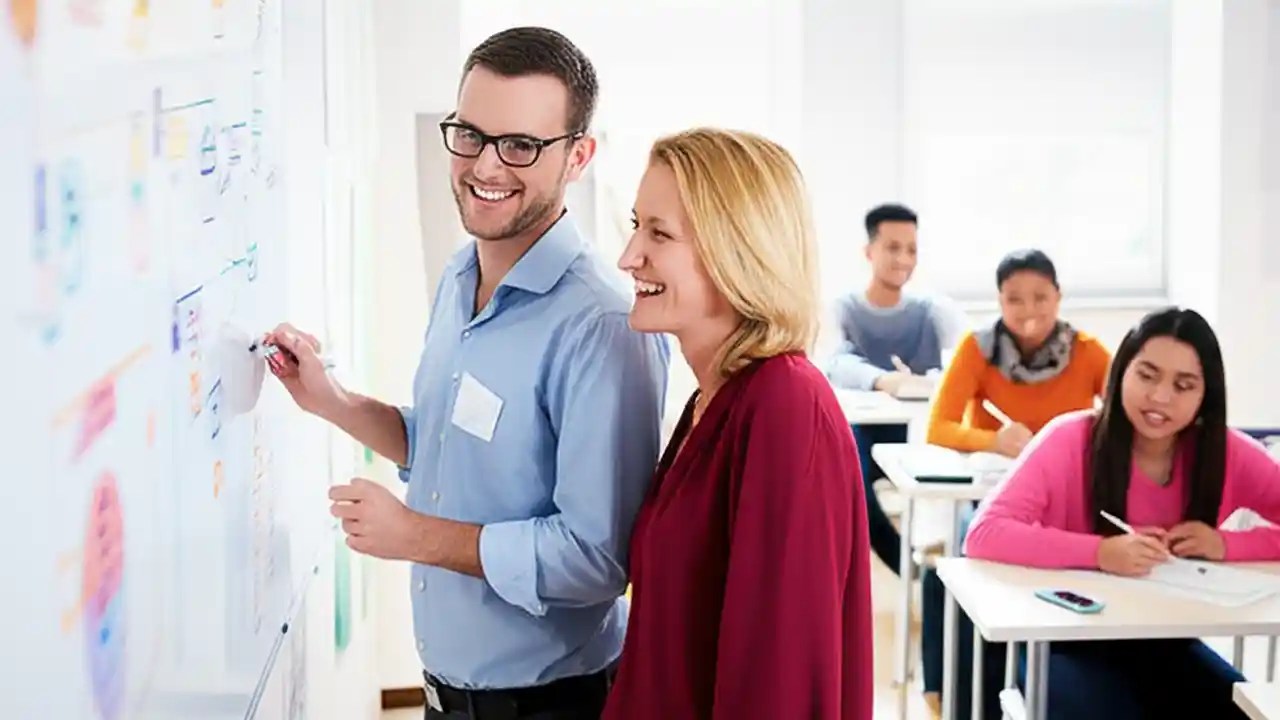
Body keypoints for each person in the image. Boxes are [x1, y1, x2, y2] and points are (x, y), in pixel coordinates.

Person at [264, 27, 669, 720]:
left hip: (550, 706)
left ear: (578, 157)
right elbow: (449, 448)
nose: (485, 165)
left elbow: (597, 558)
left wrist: (414, 535)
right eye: (470, 135)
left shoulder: (600, 326)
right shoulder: (460, 276)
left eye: (520, 145)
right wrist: (332, 401)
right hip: (447, 700)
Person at [601, 128, 873, 719]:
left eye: (659, 233)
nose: (629, 257)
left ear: (736, 250)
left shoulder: (785, 406)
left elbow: (782, 678)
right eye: (635, 226)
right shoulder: (713, 400)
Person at [964, 306, 1280, 719]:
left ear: (1206, 395)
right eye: (1147, 375)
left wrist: (1226, 543)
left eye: (1184, 385)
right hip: (1067, 643)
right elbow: (984, 534)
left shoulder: (1223, 451)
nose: (1160, 397)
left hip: (1169, 646)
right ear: (1121, 372)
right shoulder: (1070, 438)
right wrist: (1100, 553)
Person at [920, 248, 1111, 718]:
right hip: (992, 496)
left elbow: (1122, 424)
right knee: (965, 564)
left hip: (1065, 501)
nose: (1029, 312)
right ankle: (962, 698)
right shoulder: (977, 348)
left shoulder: (1088, 352)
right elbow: (938, 427)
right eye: (1014, 299)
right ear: (999, 301)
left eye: (1041, 298)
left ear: (1059, 296)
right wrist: (994, 440)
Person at [824, 203, 968, 575]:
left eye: (912, 249)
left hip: (922, 431)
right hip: (867, 433)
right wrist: (880, 379)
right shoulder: (843, 308)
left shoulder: (933, 311)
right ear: (869, 251)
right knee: (845, 477)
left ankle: (951, 571)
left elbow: (964, 361)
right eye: (892, 248)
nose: (903, 258)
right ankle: (912, 569)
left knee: (962, 480)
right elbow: (834, 362)